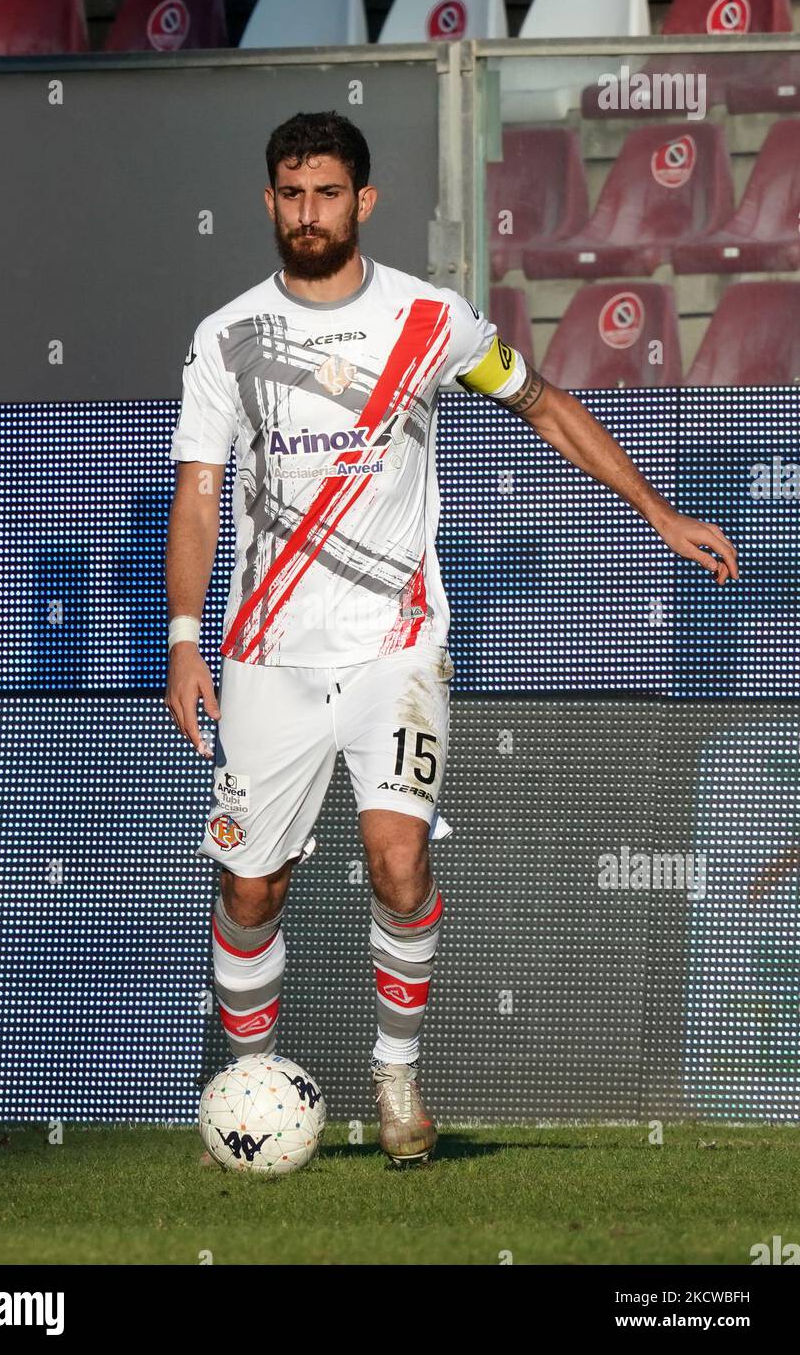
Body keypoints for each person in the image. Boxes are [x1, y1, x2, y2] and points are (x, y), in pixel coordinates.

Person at [164, 110, 739, 1167]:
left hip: (397, 648)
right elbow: (199, 497)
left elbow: (543, 402)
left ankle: (394, 1075)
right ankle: (248, 1088)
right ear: (268, 202)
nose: (308, 213)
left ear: (362, 202)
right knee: (252, 888)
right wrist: (184, 637)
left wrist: (655, 513)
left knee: (397, 860)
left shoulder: (429, 321)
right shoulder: (225, 337)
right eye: (290, 194)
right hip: (261, 657)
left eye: (326, 193)